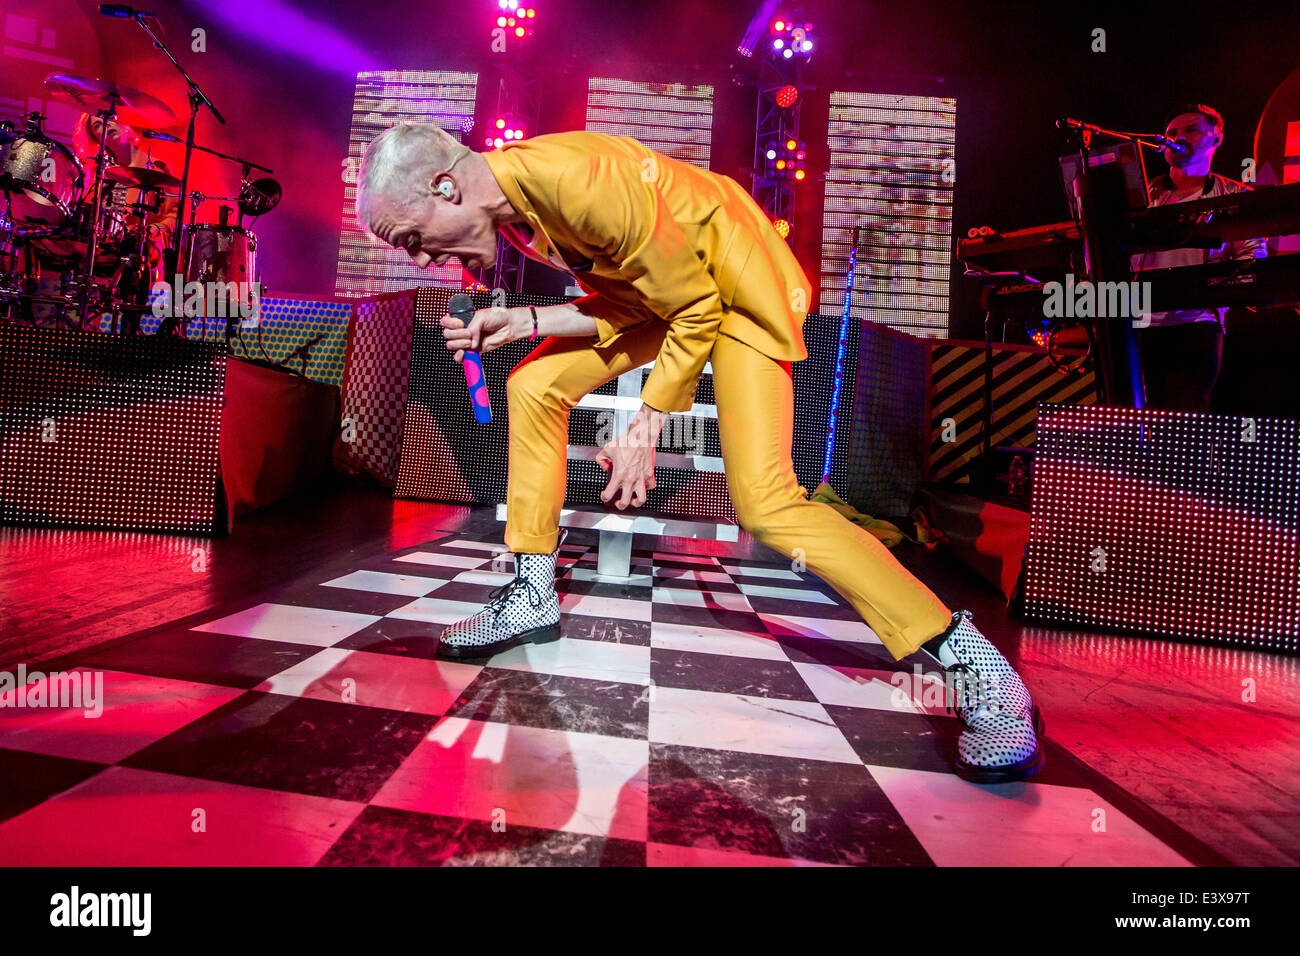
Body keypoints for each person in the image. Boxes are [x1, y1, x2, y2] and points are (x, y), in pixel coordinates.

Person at [355, 122, 1045, 783]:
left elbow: (696, 308)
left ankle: (977, 666)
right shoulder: (519, 207)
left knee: (768, 505)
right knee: (534, 381)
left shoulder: (576, 185)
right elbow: (633, 303)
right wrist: (527, 321)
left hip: (737, 293)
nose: (421, 260)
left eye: (414, 240)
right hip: (685, 296)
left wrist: (647, 424)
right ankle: (531, 591)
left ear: (447, 188)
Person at [1130, 105, 1266, 411]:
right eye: (1171, 133)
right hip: (1135, 326)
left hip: (1195, 326)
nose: (1177, 137)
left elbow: (1252, 254)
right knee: (1129, 424)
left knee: (1184, 424)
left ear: (1216, 139)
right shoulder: (1142, 195)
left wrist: (1217, 293)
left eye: (1189, 130)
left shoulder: (1235, 195)